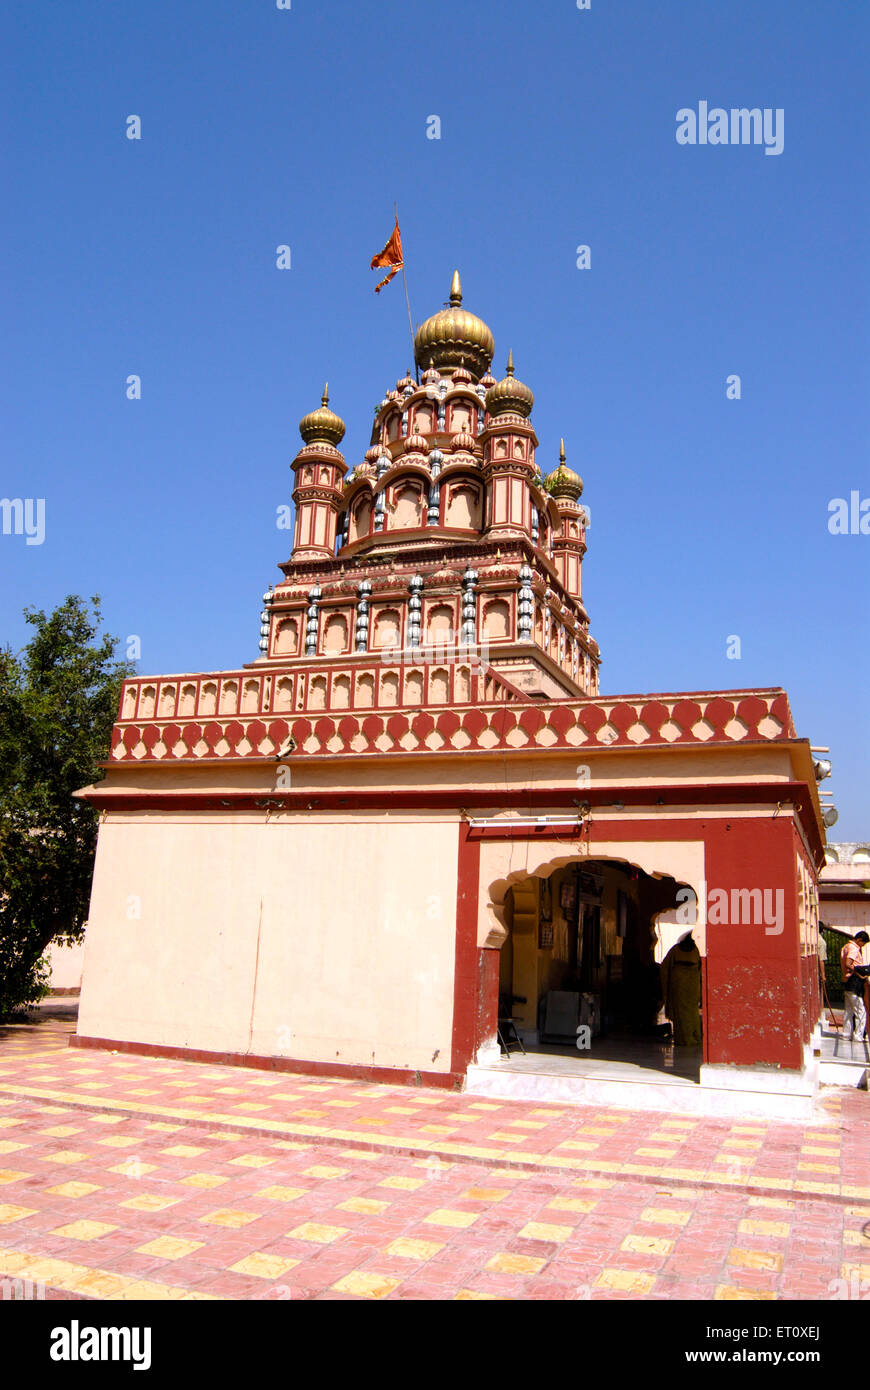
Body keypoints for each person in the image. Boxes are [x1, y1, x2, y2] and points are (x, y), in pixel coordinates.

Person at [660, 932, 702, 1046]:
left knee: (681, 1013)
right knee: (692, 1012)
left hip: (679, 986)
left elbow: (665, 968)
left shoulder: (676, 950)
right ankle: (693, 1037)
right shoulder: (696, 951)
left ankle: (684, 1038)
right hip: (691, 987)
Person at [839, 931, 870, 1042]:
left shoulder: (846, 946)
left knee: (849, 1010)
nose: (862, 946)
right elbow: (848, 963)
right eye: (863, 943)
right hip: (854, 981)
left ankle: (846, 1034)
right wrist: (859, 974)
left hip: (847, 981)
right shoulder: (853, 949)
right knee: (861, 1011)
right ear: (859, 940)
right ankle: (858, 1035)